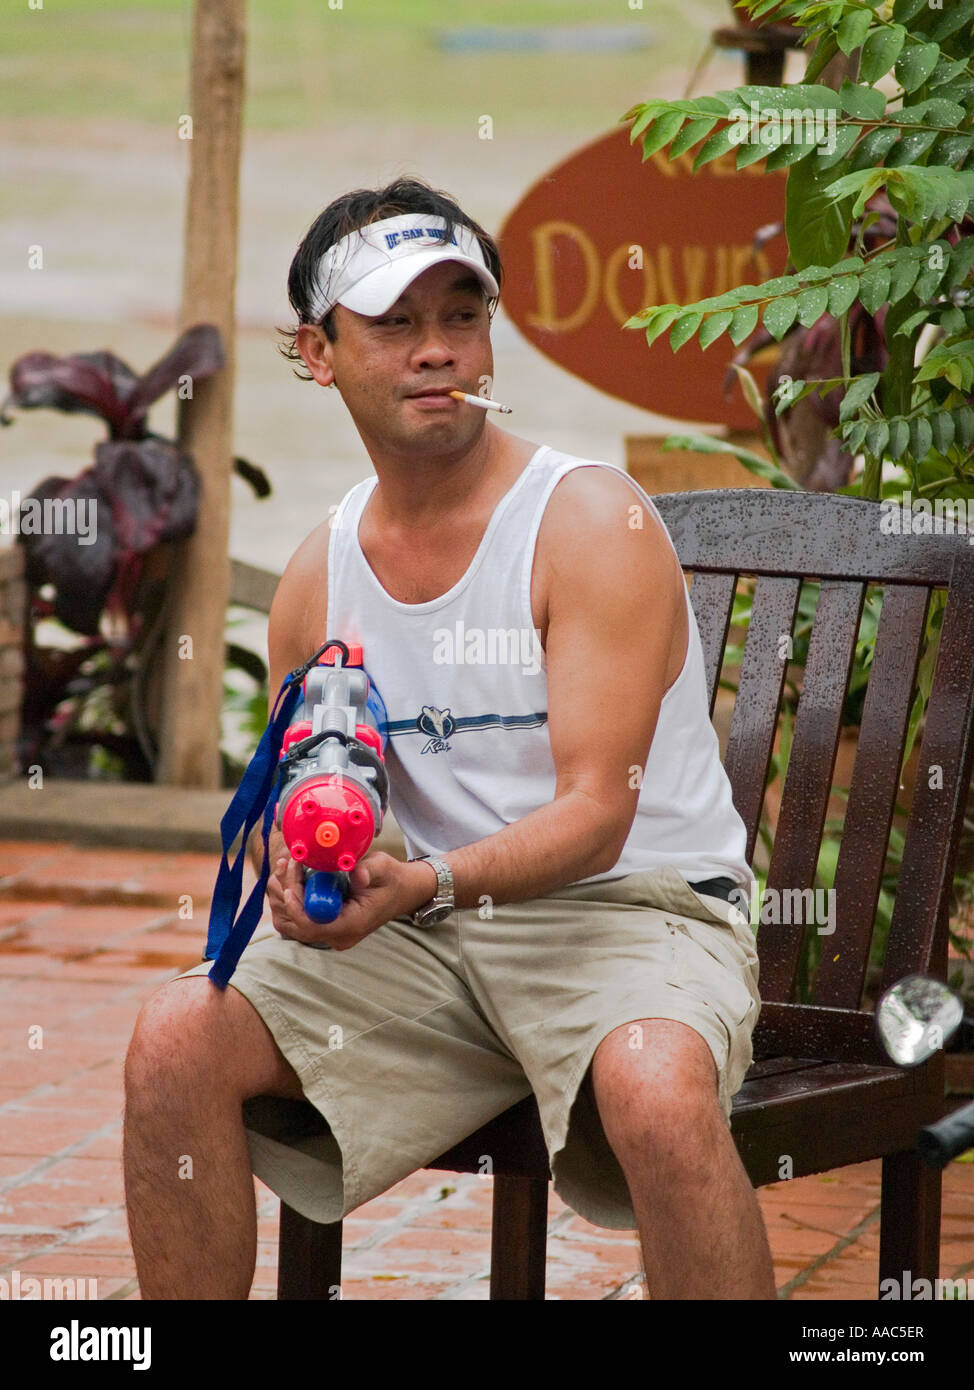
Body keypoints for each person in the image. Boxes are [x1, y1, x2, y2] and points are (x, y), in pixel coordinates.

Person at [123, 177, 776, 1300]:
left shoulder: (584, 522)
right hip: (426, 941)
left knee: (655, 1086)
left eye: (460, 317)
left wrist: (418, 883)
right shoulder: (318, 578)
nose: (436, 351)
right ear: (317, 353)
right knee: (176, 1035)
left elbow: (594, 812)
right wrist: (301, 865)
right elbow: (315, 790)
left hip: (631, 910)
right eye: (394, 322)